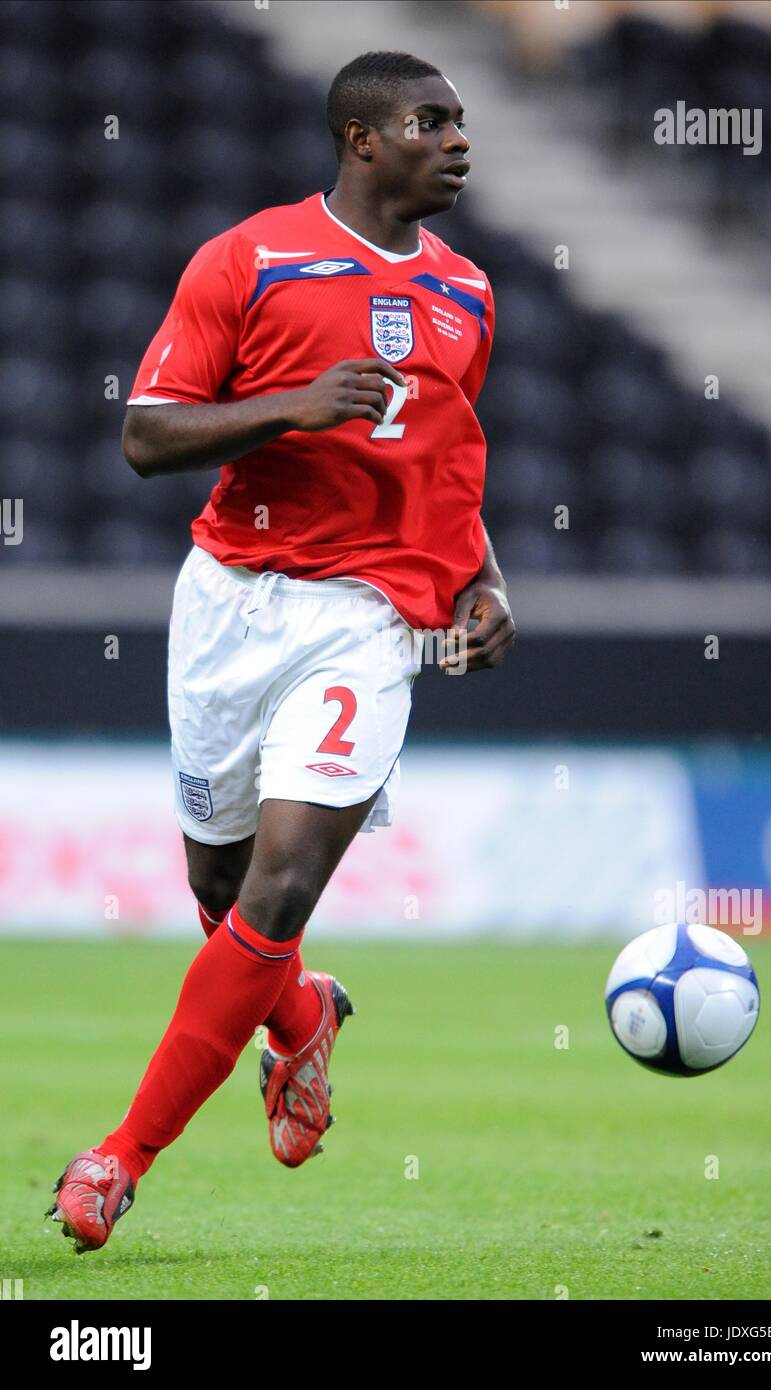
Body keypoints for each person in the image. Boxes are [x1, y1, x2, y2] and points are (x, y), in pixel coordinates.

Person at [48, 50, 515, 1252]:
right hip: (228, 602)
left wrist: (479, 576)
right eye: (432, 121)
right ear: (363, 139)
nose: (457, 141)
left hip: (366, 619)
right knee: (218, 893)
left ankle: (119, 1156)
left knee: (282, 885)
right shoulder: (248, 259)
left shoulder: (468, 292)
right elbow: (147, 438)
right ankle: (302, 1015)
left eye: (462, 123)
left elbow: (448, 461)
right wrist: (292, 406)